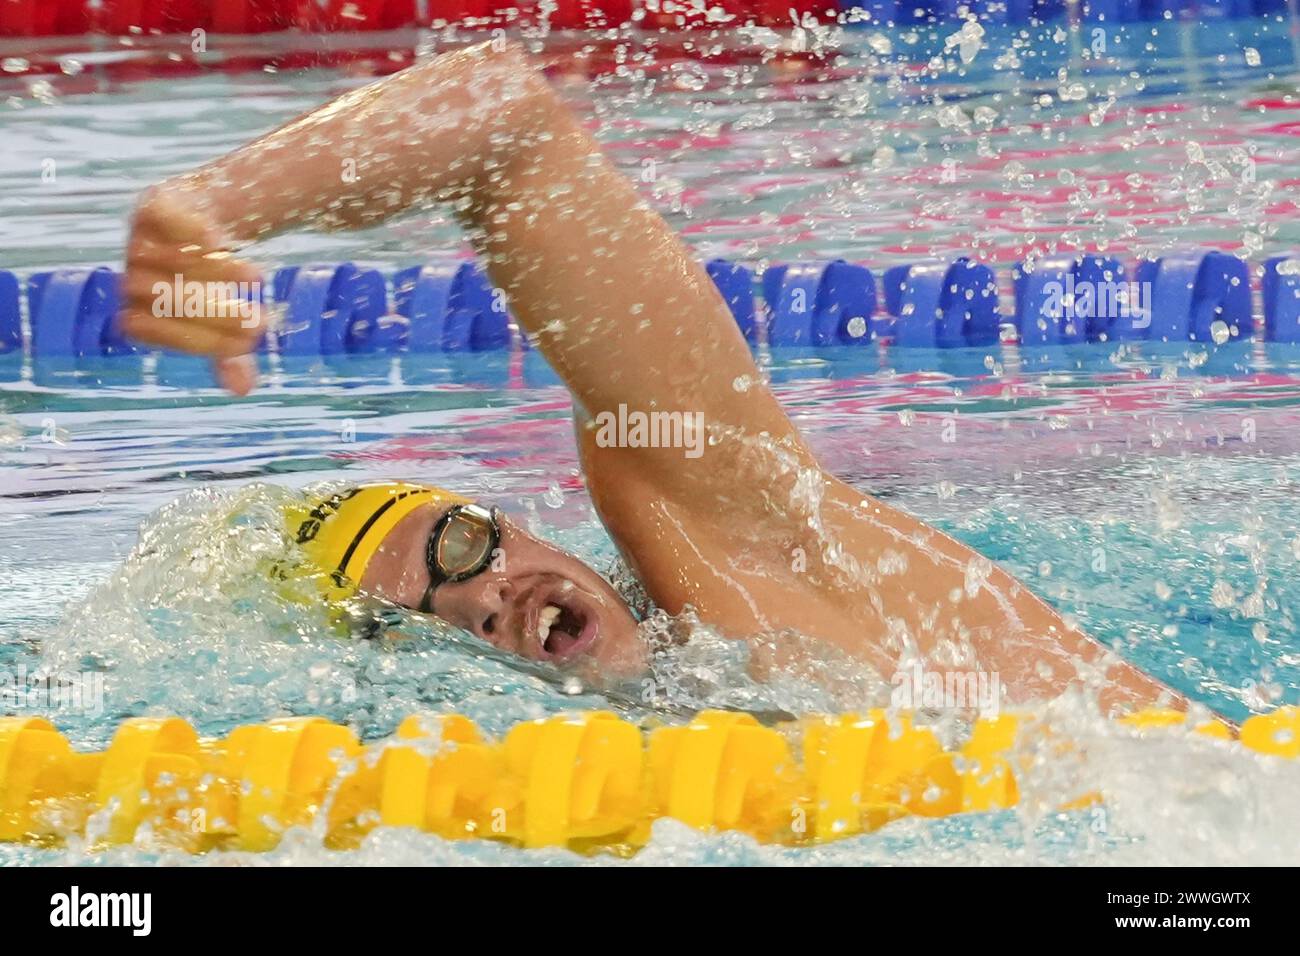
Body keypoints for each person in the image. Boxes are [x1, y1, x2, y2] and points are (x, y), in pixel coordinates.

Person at [120, 40, 1179, 714]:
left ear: (520, 526)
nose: (487, 602)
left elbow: (501, 123)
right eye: (420, 619)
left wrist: (215, 206)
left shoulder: (719, 545)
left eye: (459, 544)